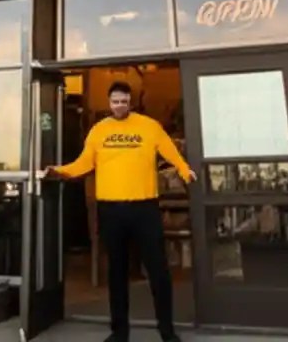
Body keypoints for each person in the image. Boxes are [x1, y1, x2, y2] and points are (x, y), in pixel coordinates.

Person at [45, 81, 195, 342]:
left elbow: (170, 152)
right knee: (116, 272)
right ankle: (119, 332)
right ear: (109, 102)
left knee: (158, 271)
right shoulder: (99, 131)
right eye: (115, 101)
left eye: (124, 101)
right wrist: (60, 171)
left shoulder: (149, 127)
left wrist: (184, 169)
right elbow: (84, 162)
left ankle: (167, 331)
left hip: (145, 208)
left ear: (130, 101)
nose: (120, 105)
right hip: (111, 210)